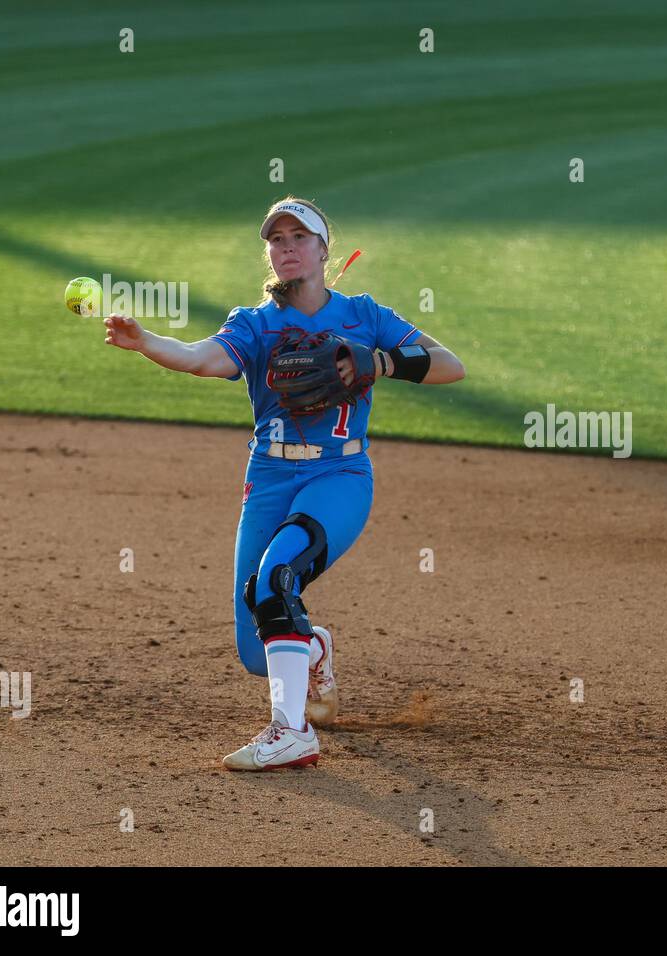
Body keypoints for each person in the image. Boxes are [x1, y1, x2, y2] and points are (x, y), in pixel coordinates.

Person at [103, 196, 465, 770]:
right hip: (268, 476)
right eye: (277, 239)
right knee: (255, 651)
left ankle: (290, 732)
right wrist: (147, 341)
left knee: (274, 579)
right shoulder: (255, 323)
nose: (287, 247)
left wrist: (385, 363)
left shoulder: (364, 315)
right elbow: (202, 358)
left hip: (337, 474)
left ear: (324, 251)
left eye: (300, 237)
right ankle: (312, 645)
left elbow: (449, 364)